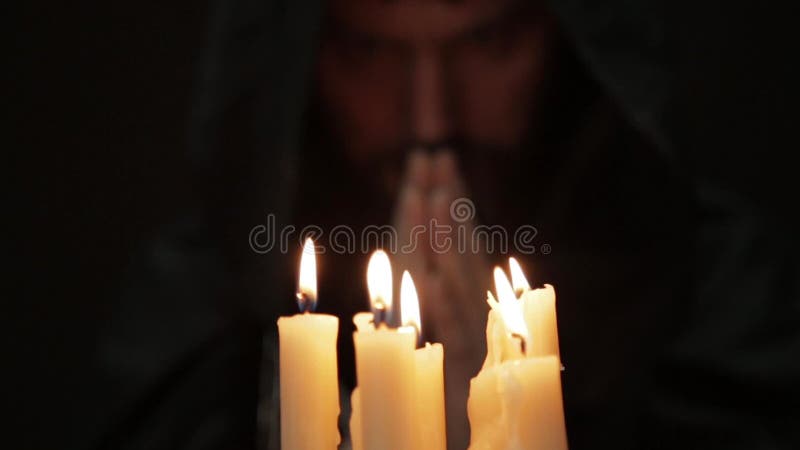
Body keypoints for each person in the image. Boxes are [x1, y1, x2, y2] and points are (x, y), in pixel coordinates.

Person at [94, 0, 800, 449]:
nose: (429, 121)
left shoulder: (721, 293)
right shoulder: (192, 314)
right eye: (367, 52)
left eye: (489, 41)